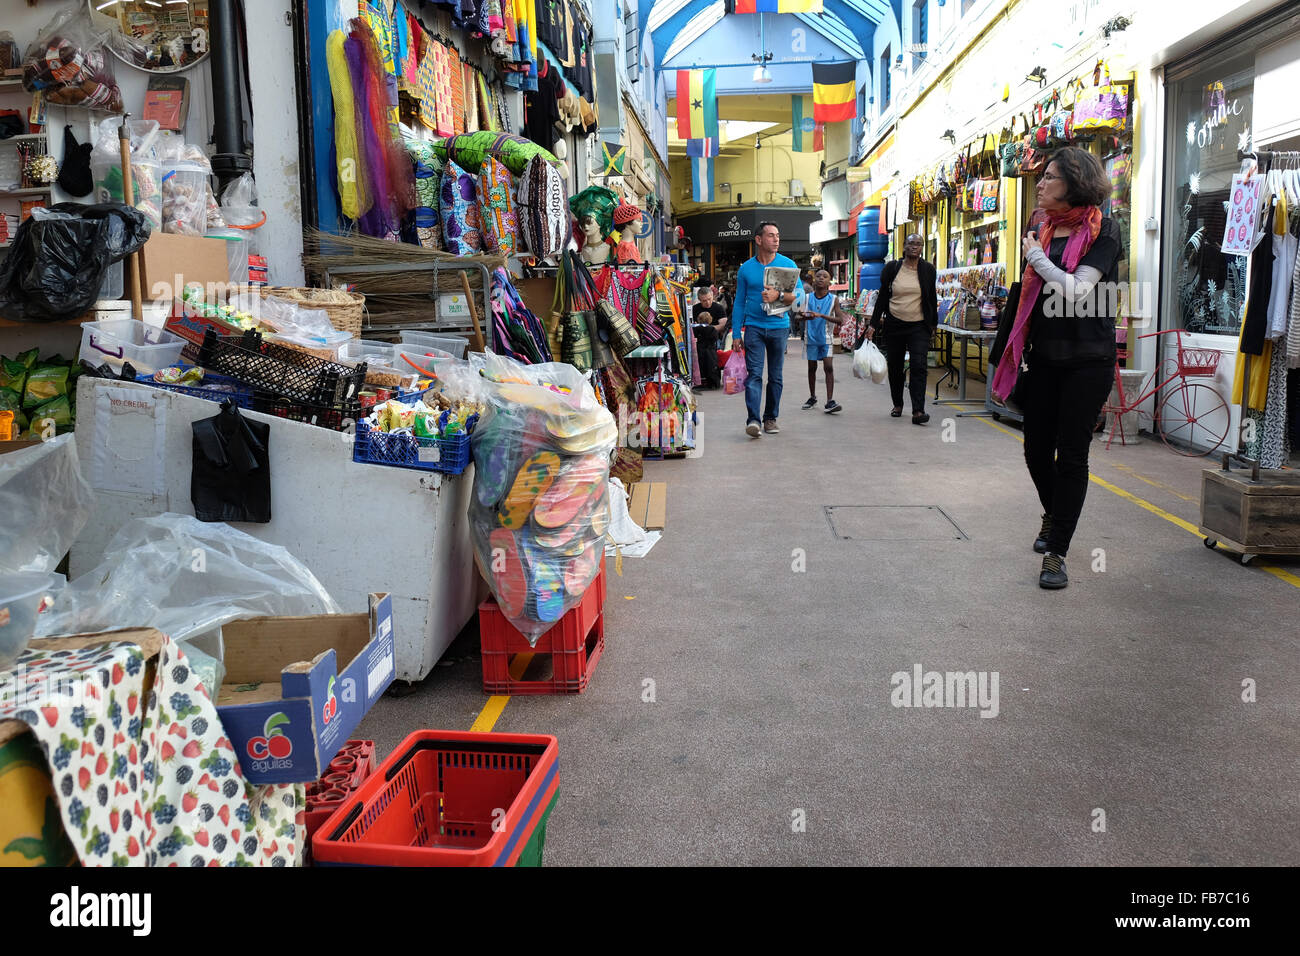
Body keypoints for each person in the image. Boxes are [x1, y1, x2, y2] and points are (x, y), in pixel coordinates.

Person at [990, 147, 1124, 591]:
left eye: (1049, 177)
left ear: (1073, 182)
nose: (1041, 183)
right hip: (1045, 359)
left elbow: (1078, 291)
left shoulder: (1106, 231)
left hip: (1088, 362)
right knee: (1034, 449)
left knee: (1072, 455)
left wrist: (1036, 259)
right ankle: (1056, 514)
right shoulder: (1042, 231)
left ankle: (1057, 552)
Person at [733, 222, 798, 437]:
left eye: (778, 235)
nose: (776, 239)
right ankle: (753, 420)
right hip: (754, 328)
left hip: (779, 327)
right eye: (771, 236)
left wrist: (778, 295)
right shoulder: (746, 269)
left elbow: (801, 296)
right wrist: (735, 333)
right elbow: (739, 303)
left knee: (776, 376)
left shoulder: (787, 264)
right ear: (759, 240)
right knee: (754, 375)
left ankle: (770, 418)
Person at [865, 233, 938, 425]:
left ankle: (918, 410)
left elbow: (932, 298)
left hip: (919, 325)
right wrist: (872, 324)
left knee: (918, 366)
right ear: (904, 246)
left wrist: (933, 325)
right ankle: (897, 404)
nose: (914, 247)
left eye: (918, 244)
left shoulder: (928, 270)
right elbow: (882, 298)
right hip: (895, 323)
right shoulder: (892, 268)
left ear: (922, 248)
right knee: (896, 366)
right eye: (911, 243)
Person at [800, 270, 846, 413]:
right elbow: (796, 317)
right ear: (814, 279)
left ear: (829, 281)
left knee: (829, 367)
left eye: (825, 276)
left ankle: (830, 401)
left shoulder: (833, 299)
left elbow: (840, 319)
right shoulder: (806, 298)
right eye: (818, 276)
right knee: (812, 368)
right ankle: (813, 397)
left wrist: (821, 315)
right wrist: (805, 317)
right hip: (811, 338)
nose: (821, 278)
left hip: (826, 338)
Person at [692, 287, 728, 389]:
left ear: (712, 296)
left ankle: (712, 377)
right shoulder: (695, 309)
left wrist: (706, 329)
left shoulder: (718, 308)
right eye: (704, 300)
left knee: (710, 352)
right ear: (699, 300)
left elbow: (723, 325)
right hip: (699, 338)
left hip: (715, 338)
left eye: (709, 299)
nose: (707, 302)